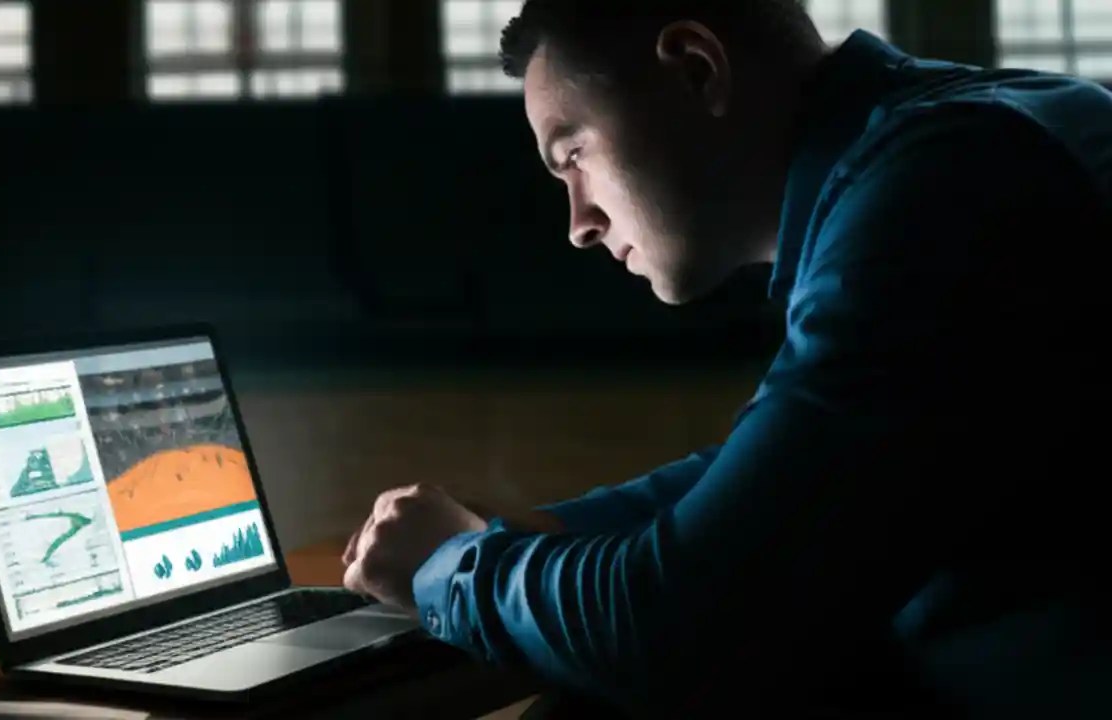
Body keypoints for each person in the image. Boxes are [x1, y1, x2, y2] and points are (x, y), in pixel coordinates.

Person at [341, 1, 1112, 715]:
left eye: (573, 152)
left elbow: (684, 621)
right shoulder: (986, 127)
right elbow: (799, 470)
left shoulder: (944, 188)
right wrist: (546, 530)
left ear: (697, 70)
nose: (578, 222)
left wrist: (455, 565)